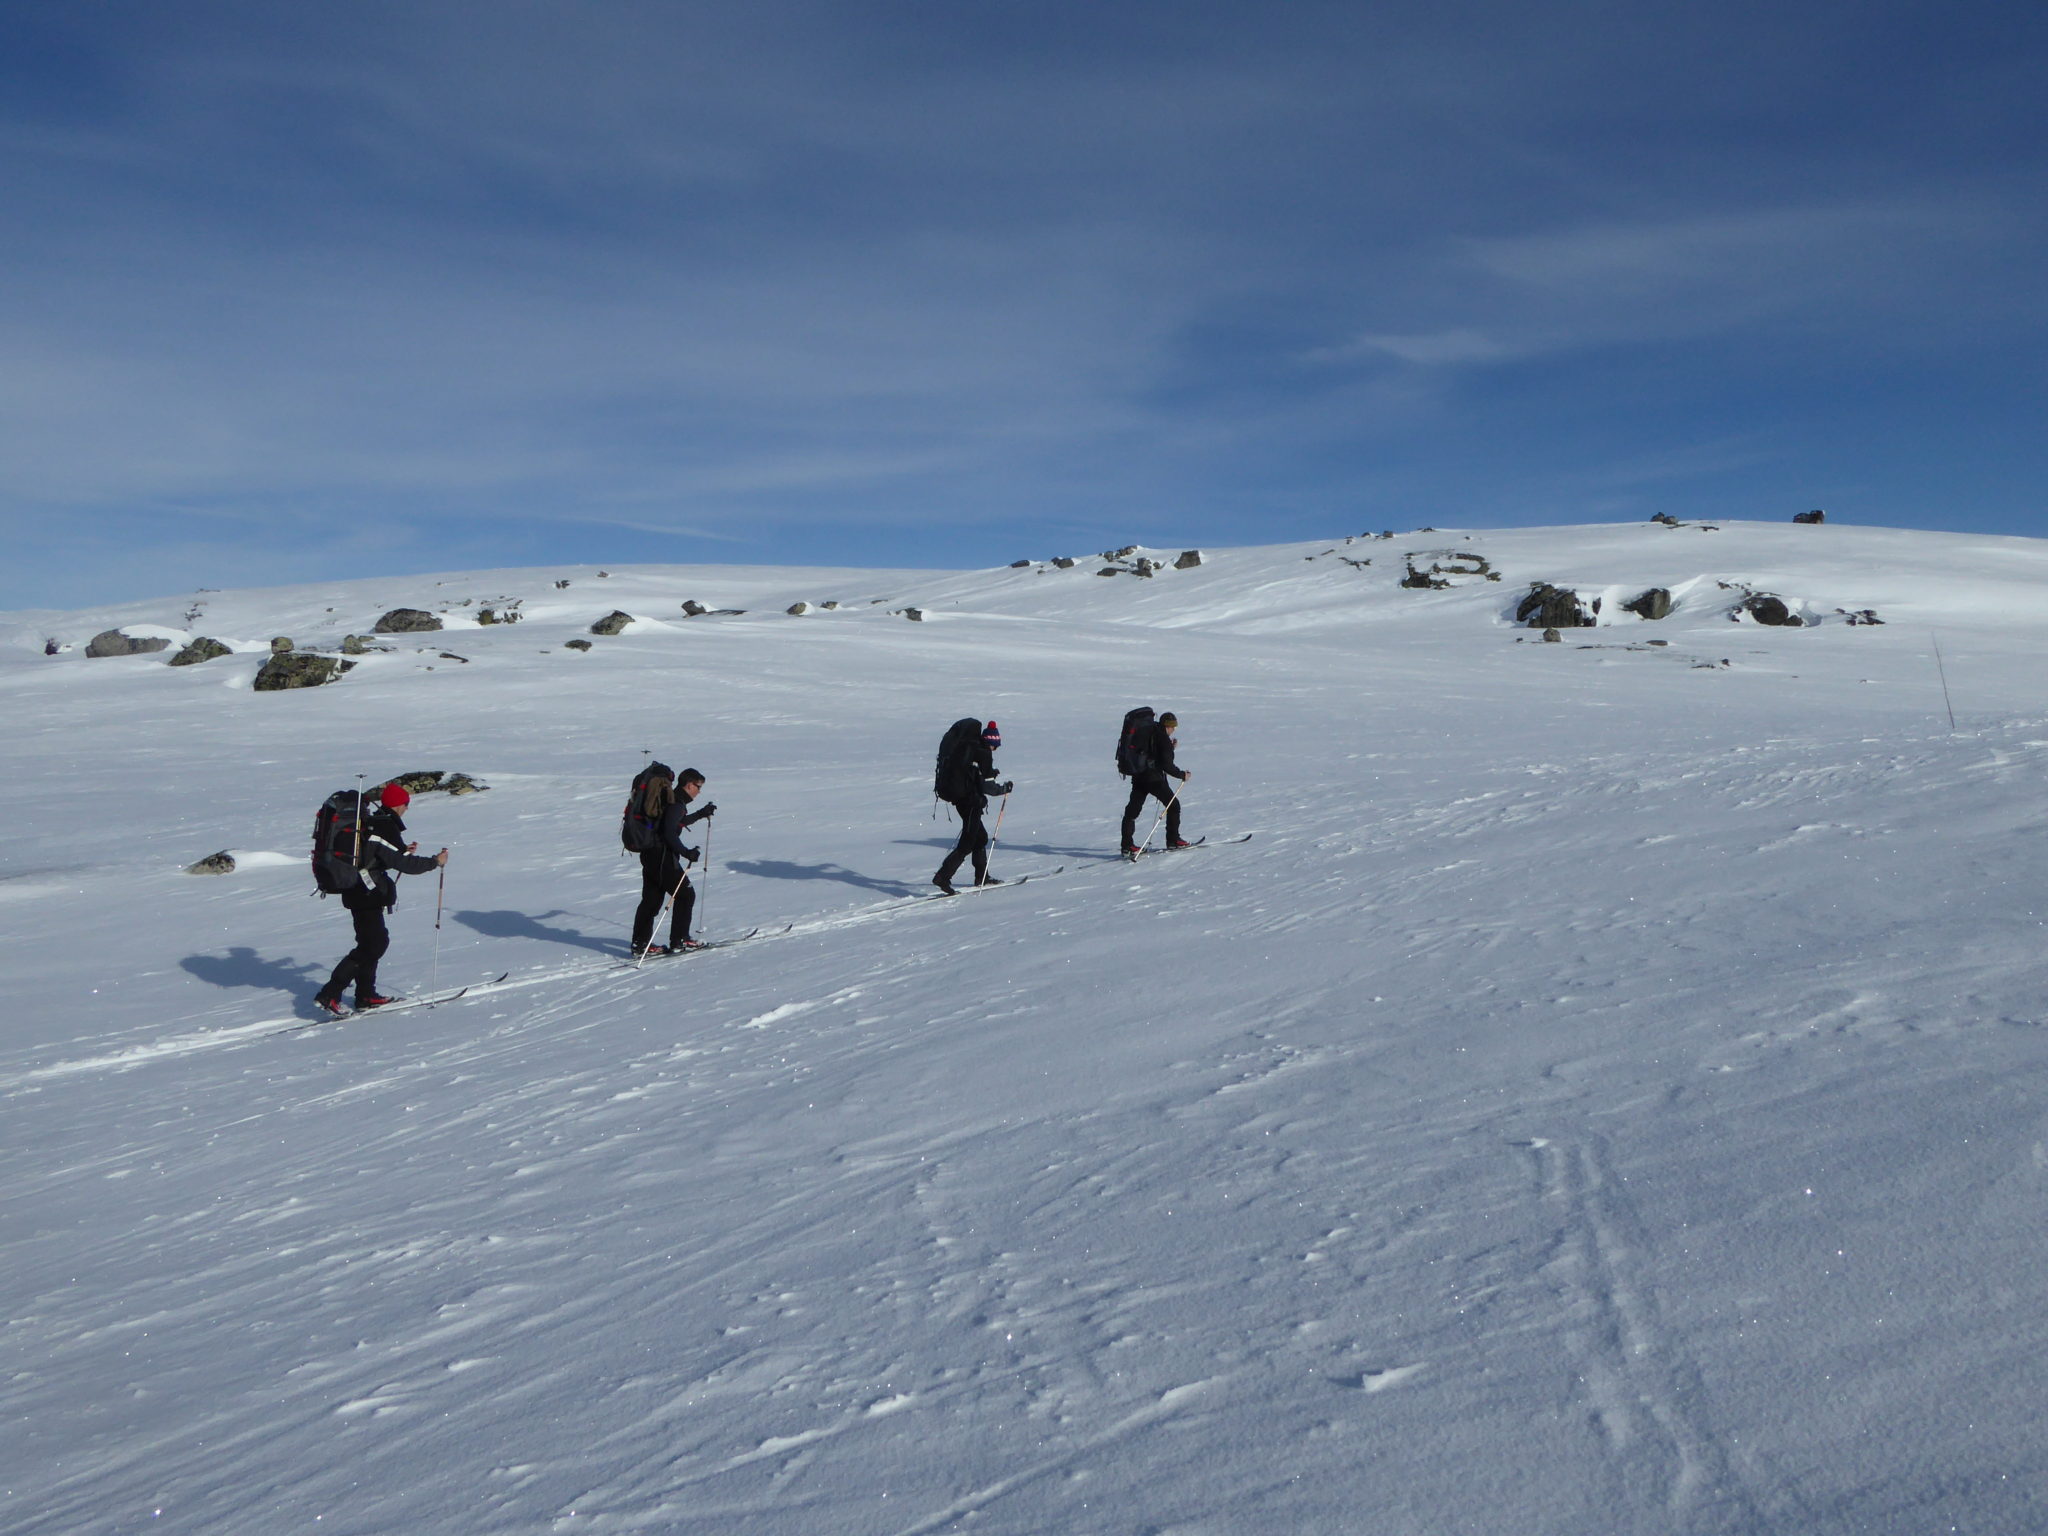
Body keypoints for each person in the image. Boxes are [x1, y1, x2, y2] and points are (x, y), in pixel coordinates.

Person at [314, 783, 448, 1015]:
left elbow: (375, 855)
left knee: (372, 942)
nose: (406, 809)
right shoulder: (384, 826)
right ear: (400, 804)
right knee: (373, 944)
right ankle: (330, 993)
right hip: (366, 892)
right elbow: (406, 865)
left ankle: (366, 995)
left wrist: (402, 850)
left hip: (358, 890)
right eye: (406, 805)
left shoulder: (372, 823)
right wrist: (435, 861)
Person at [632, 768, 715, 957]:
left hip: (650, 855)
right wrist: (686, 853)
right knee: (685, 895)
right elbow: (669, 833)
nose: (699, 791)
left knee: (651, 901)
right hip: (662, 858)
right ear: (689, 785)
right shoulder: (676, 803)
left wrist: (701, 814)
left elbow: (675, 823)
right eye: (698, 787)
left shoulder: (671, 800)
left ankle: (640, 945)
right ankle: (680, 940)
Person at [933, 718, 1012, 895]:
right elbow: (987, 787)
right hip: (970, 802)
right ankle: (942, 877)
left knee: (981, 837)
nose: (996, 749)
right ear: (991, 742)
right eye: (996, 745)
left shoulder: (971, 750)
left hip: (962, 799)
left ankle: (981, 877)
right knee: (968, 841)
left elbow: (976, 774)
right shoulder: (983, 753)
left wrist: (989, 773)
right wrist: (1004, 789)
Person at [1120, 709, 1192, 856]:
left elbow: (1152, 753)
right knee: (1174, 806)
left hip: (1139, 775)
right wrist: (1181, 774)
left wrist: (1170, 747)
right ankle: (1173, 841)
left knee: (1132, 811)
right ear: (1168, 726)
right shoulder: (1163, 738)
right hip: (1153, 779)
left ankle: (1127, 846)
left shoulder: (1152, 732)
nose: (1173, 730)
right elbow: (1166, 765)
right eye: (1173, 727)